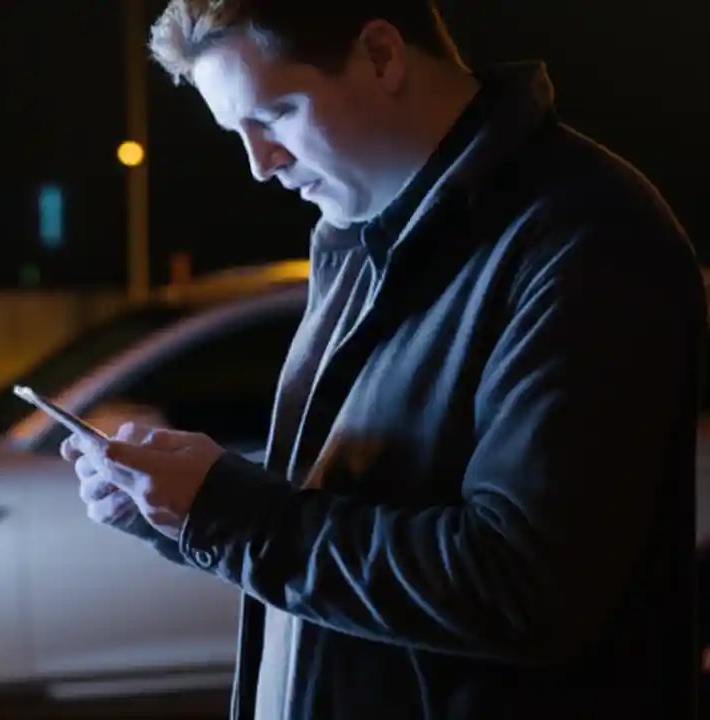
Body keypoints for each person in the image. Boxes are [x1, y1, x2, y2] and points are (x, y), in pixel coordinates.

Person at [61, 2, 705, 718]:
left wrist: (226, 513)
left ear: (380, 55)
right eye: (236, 133)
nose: (258, 165)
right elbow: (341, 520)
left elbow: (524, 587)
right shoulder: (356, 235)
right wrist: (183, 516)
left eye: (275, 115)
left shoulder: (585, 237)